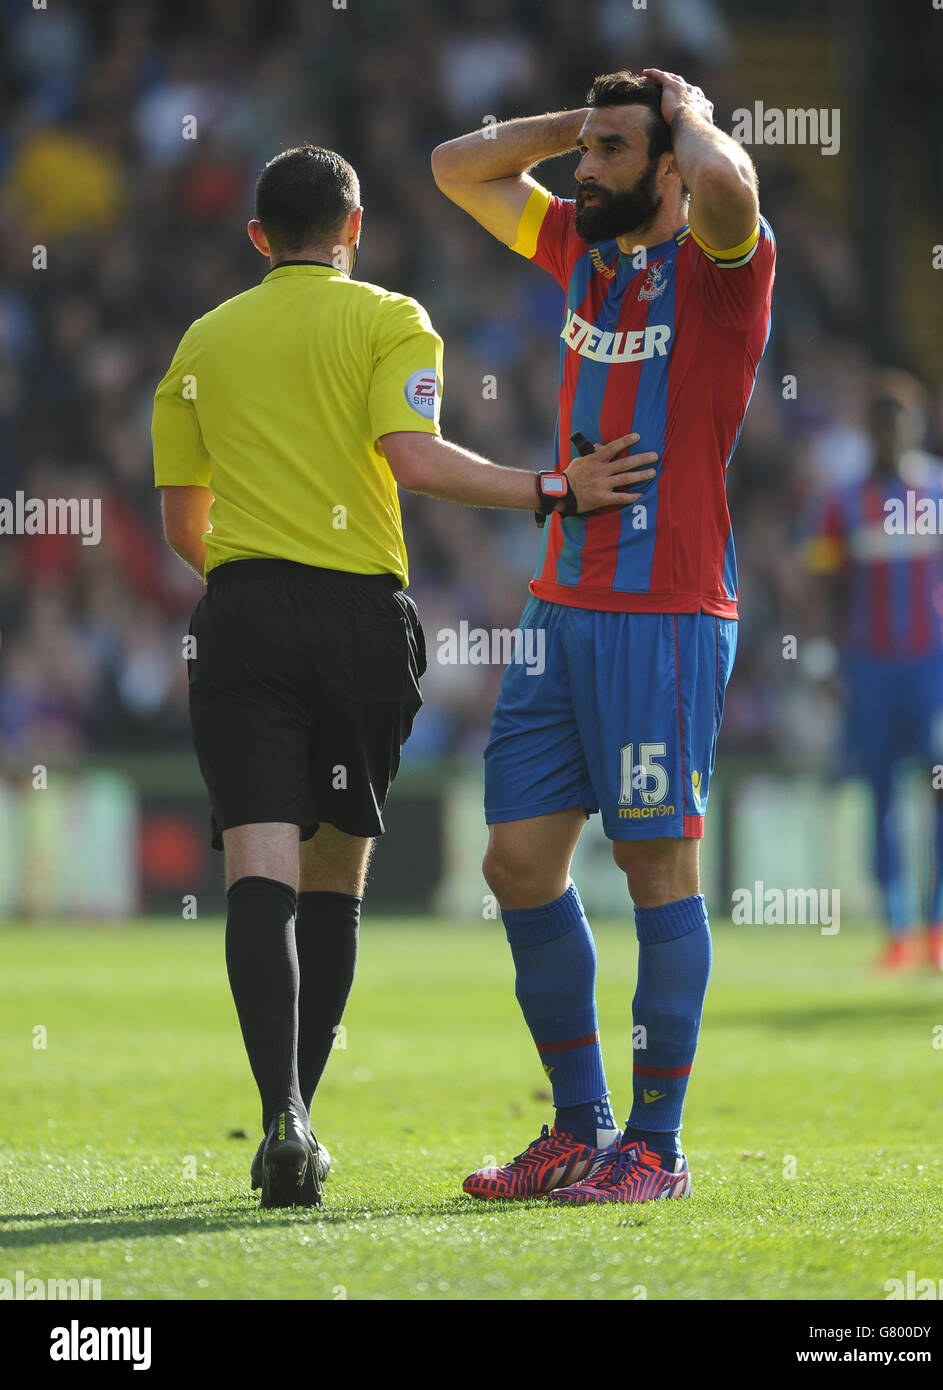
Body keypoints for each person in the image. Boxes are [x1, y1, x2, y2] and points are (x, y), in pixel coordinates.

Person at [151, 143, 655, 1207]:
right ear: (357, 226)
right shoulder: (390, 318)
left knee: (257, 867)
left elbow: (180, 523)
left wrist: (252, 574)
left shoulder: (200, 340)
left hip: (239, 615)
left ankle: (282, 1111)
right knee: (334, 877)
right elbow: (414, 458)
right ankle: (300, 1114)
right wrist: (556, 486)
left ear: (257, 239)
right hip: (354, 619)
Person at [432, 67, 775, 1203]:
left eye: (611, 154)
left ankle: (657, 1146)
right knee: (517, 862)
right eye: (584, 153)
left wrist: (689, 118)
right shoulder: (583, 248)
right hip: (560, 606)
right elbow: (453, 167)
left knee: (653, 865)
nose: (582, 172)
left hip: (666, 614)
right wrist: (579, 122)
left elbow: (731, 180)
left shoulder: (724, 273)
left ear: (669, 165)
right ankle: (577, 1128)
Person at [805, 370, 943, 975]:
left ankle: (941, 929)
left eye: (897, 426)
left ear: (914, 429)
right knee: (880, 795)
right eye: (878, 428)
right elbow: (821, 586)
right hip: (870, 666)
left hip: (937, 665)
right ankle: (899, 929)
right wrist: (822, 657)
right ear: (868, 432)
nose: (888, 437)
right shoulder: (841, 502)